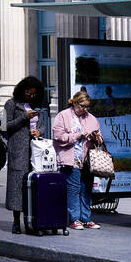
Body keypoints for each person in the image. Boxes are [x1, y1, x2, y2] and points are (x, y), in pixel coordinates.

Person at [52, 90, 104, 230]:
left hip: (87, 160)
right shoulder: (63, 115)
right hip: (71, 158)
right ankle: (74, 218)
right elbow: (58, 136)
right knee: (74, 189)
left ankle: (86, 218)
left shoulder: (91, 118)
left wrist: (96, 138)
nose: (85, 109)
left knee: (86, 189)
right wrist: (78, 135)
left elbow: (100, 138)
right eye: (82, 106)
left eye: (87, 106)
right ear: (75, 103)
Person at [3, 76, 46, 234]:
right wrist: (23, 117)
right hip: (18, 151)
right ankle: (16, 222)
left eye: (34, 94)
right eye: (28, 93)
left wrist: (38, 131)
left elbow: (42, 126)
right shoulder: (11, 104)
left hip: (35, 151)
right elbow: (5, 126)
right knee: (17, 187)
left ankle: (31, 221)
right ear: (22, 91)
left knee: (33, 187)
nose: (31, 97)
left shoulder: (37, 106)